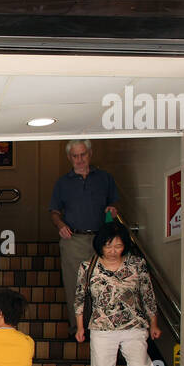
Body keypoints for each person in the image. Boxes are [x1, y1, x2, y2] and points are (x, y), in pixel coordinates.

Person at [74, 222, 162, 366]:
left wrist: (154, 323)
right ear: (100, 245)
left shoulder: (137, 265)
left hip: (134, 325)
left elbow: (148, 295)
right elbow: (79, 298)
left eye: (118, 246)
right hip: (101, 328)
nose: (113, 251)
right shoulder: (88, 266)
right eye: (108, 246)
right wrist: (79, 327)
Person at [49, 140, 121, 330]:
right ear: (69, 158)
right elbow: (54, 212)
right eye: (75, 156)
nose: (79, 159)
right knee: (75, 284)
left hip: (102, 239)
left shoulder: (105, 178)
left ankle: (103, 326)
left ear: (89, 154)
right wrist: (60, 225)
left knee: (105, 282)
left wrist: (112, 211)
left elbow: (115, 205)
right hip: (74, 239)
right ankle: (78, 328)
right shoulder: (63, 183)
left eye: (83, 155)